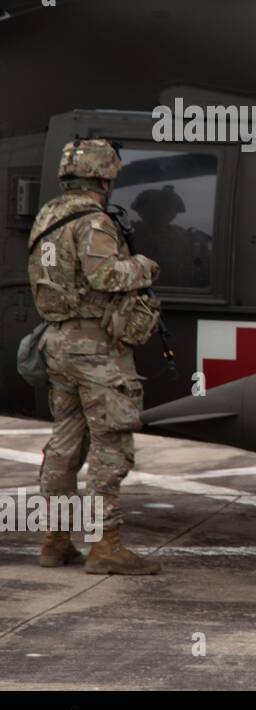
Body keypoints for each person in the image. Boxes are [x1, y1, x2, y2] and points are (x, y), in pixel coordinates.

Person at [27, 138, 162, 575]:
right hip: (96, 349)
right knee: (111, 444)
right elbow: (105, 275)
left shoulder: (47, 216)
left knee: (64, 445)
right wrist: (144, 265)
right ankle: (107, 546)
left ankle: (56, 540)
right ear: (104, 176)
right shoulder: (93, 222)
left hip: (57, 342)